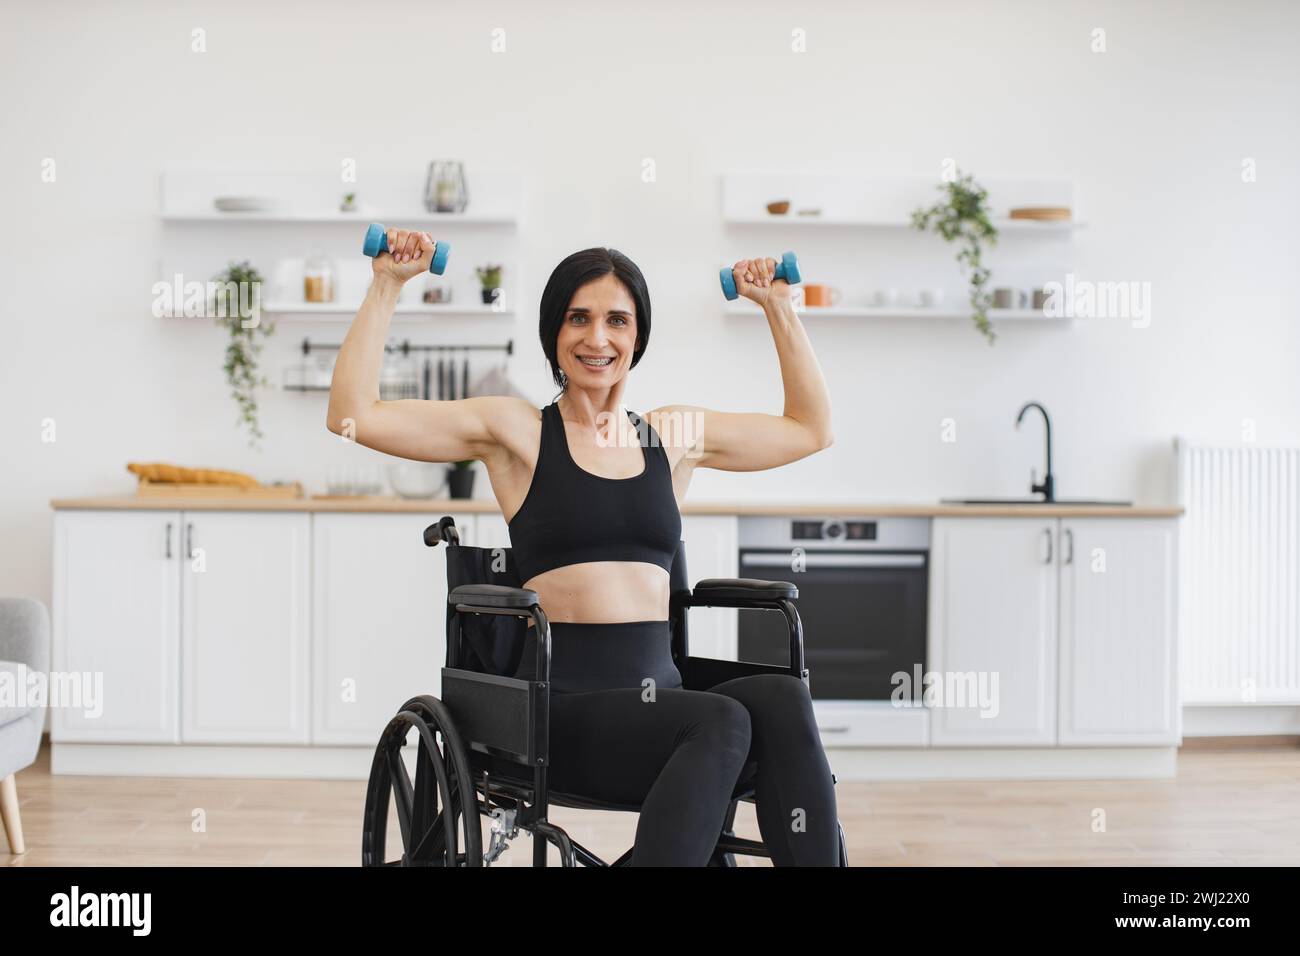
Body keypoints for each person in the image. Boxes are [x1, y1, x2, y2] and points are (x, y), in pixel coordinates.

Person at [327, 229, 839, 866]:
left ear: (637, 336)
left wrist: (778, 306)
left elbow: (811, 429)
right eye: (579, 318)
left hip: (666, 704)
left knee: (782, 697)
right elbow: (352, 414)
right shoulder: (516, 430)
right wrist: (386, 284)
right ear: (554, 332)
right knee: (721, 720)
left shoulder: (671, 435)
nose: (598, 338)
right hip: (558, 716)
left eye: (617, 320)